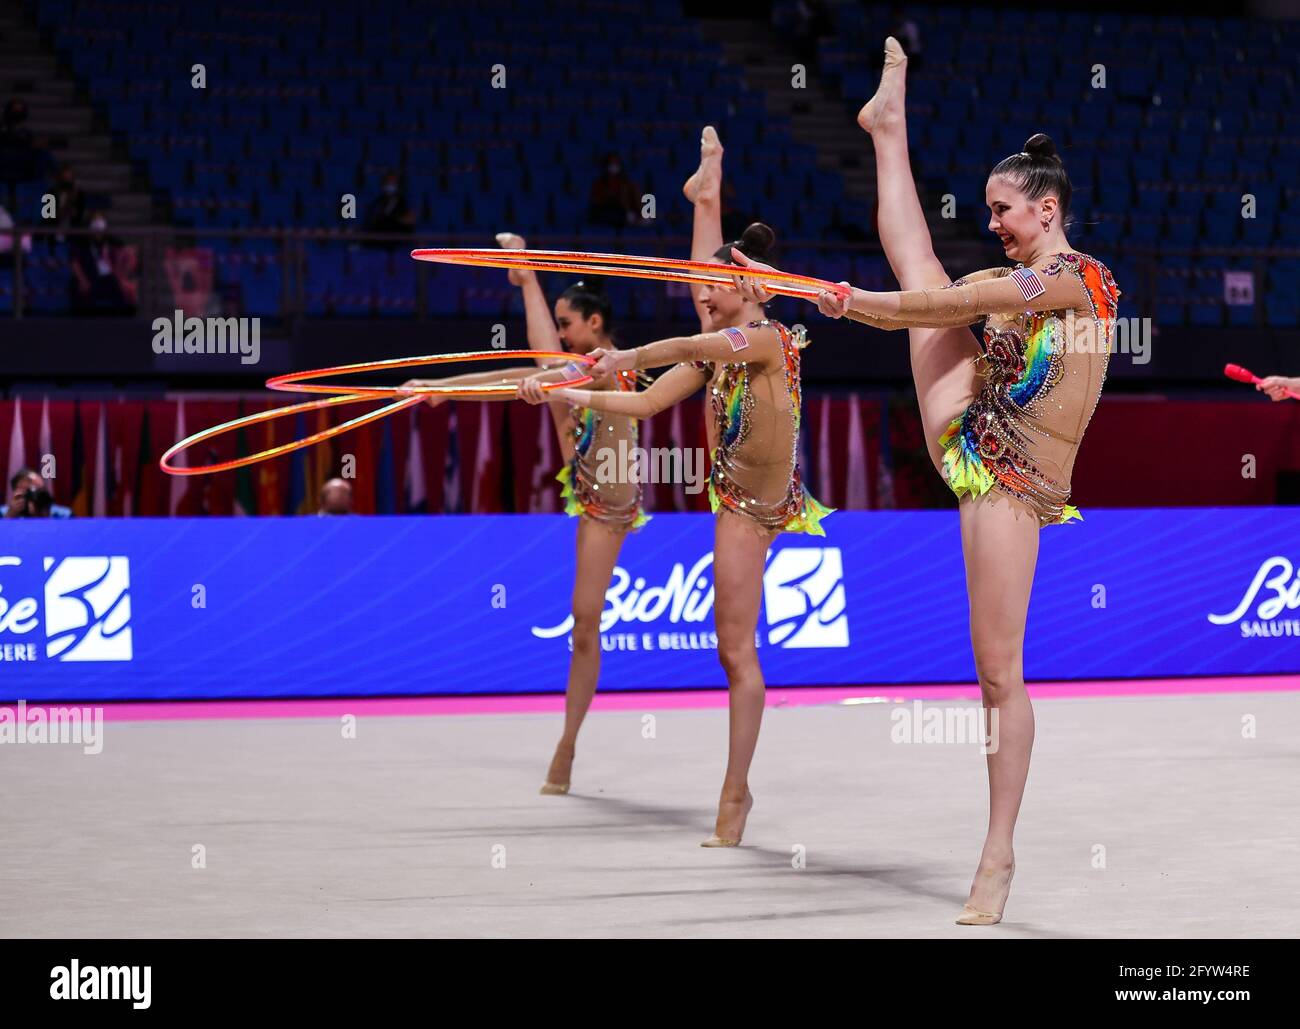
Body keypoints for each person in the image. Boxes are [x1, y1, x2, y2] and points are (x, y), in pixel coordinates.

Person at [729, 39, 1120, 923]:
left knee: (998, 673)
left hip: (1013, 480)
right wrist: (860, 301)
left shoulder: (1067, 280)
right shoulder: (1059, 277)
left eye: (1003, 211)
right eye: (988, 210)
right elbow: (954, 299)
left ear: (1046, 208)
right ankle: (887, 127)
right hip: (982, 439)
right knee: (922, 275)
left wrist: (856, 306)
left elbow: (947, 306)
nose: (993, 221)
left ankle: (998, 851)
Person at [520, 221, 833, 848]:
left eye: (712, 287)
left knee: (737, 653)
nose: (705, 298)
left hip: (767, 503)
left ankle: (732, 792)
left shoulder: (766, 338)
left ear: (746, 284)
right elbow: (644, 406)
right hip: (739, 502)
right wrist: (565, 393)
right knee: (734, 651)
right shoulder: (715, 349)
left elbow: (695, 343)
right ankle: (738, 789)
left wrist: (626, 357)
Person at [70, 212, 138, 315]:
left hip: (108, 277)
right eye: (95, 220)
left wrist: (124, 276)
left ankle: (125, 319)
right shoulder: (82, 241)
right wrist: (82, 280)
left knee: (122, 290)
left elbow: (128, 252)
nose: (98, 223)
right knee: (76, 287)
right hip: (89, 276)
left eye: (100, 220)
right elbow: (74, 261)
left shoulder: (111, 240)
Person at [587, 153, 641, 229]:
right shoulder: (598, 184)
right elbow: (595, 202)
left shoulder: (625, 183)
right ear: (606, 165)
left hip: (621, 212)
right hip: (603, 213)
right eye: (611, 163)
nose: (614, 166)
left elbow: (631, 200)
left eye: (616, 163)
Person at [362, 171, 415, 243]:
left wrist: (393, 219)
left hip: (397, 236)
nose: (390, 185)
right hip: (379, 237)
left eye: (393, 182)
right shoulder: (378, 201)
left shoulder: (403, 201)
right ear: (383, 184)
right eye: (388, 182)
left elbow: (409, 220)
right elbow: (372, 219)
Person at [2, 468, 72, 518]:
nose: (37, 496)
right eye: (30, 493)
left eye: (41, 491)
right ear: (16, 494)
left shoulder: (64, 515)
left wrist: (46, 516)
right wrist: (9, 517)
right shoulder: (3, 514)